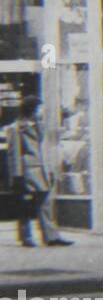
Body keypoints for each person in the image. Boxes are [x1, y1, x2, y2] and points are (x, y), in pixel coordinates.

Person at [6, 95, 73, 248]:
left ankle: (51, 237)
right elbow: (14, 154)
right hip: (27, 173)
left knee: (46, 203)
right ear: (31, 109)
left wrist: (50, 170)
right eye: (39, 108)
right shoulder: (16, 128)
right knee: (26, 205)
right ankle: (26, 236)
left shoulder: (39, 126)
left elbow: (44, 150)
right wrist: (17, 175)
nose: (41, 111)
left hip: (41, 171)